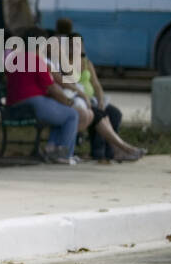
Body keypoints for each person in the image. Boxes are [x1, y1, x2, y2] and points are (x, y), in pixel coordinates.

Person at [52, 19, 145, 162]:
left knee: (114, 113)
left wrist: (101, 99)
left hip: (92, 100)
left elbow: (96, 85)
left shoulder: (87, 62)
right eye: (73, 46)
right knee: (100, 115)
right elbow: (69, 81)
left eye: (79, 45)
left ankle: (111, 151)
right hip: (80, 101)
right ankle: (118, 149)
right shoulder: (63, 62)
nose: (77, 49)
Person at [4, 25, 79, 164]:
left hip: (14, 105)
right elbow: (52, 88)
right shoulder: (36, 60)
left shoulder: (14, 59)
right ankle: (64, 155)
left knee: (60, 114)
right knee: (71, 115)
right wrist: (68, 101)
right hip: (34, 104)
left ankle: (52, 150)